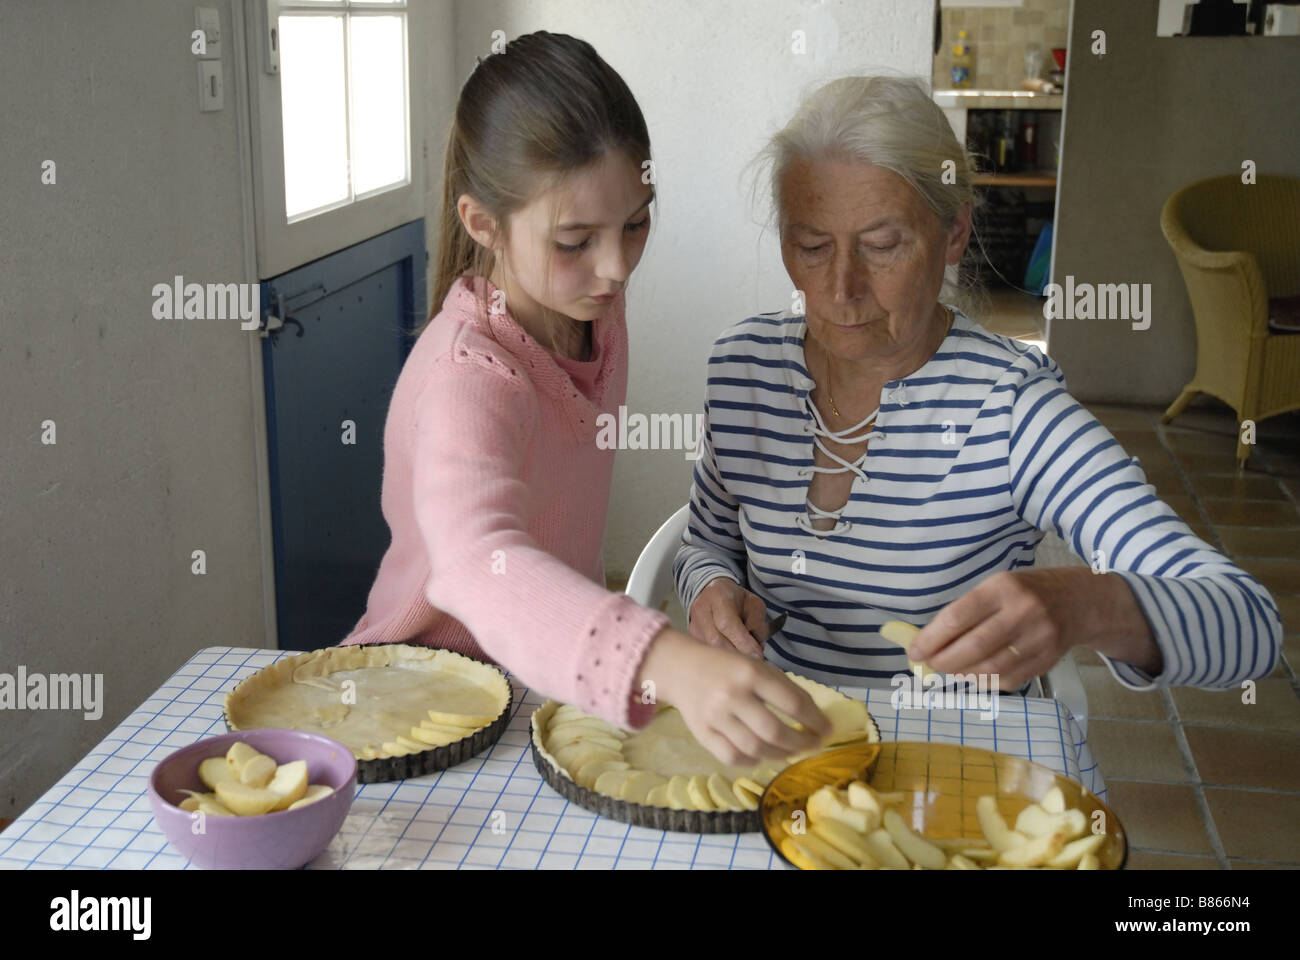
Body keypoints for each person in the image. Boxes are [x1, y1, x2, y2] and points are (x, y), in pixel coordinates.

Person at [677, 75, 1281, 693]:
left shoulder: (1010, 409)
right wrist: (712, 589)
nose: (840, 290)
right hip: (773, 741)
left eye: (882, 246)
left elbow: (1249, 623)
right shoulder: (743, 367)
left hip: (947, 763)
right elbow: (705, 543)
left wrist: (1084, 603)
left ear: (955, 234)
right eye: (811, 246)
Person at [341, 31, 830, 765]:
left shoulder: (591, 311)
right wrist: (666, 660)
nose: (615, 268)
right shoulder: (467, 376)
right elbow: (478, 563)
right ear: (484, 225)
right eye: (575, 240)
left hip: (529, 689)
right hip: (419, 703)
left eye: (635, 222)